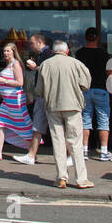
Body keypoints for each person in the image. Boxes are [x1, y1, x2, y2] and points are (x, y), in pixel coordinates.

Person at [38, 40, 94, 189]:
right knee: (75, 142)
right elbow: (86, 84)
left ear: (53, 51)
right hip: (73, 106)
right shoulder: (76, 64)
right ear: (67, 51)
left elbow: (38, 90)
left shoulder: (45, 65)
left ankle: (61, 177)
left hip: (52, 106)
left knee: (58, 142)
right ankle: (81, 179)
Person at [0, 42, 38, 163]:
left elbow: (20, 83)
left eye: (8, 51)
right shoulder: (8, 64)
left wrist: (2, 80)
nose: (6, 53)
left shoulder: (16, 64)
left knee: (22, 126)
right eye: (4, 51)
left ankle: (31, 152)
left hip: (15, 100)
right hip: (7, 101)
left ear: (14, 52)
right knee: (0, 123)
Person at [78, 27, 112, 161]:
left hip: (85, 89)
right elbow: (109, 70)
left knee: (85, 120)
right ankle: (104, 151)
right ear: (98, 38)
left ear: (85, 37)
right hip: (101, 88)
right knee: (103, 120)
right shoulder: (103, 53)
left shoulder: (80, 53)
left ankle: (84, 151)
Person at [24, 33, 55, 156]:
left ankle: (70, 155)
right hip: (41, 94)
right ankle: (31, 155)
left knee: (56, 128)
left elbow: (49, 71)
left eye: (32, 43)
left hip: (46, 95)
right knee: (38, 126)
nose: (30, 46)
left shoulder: (48, 54)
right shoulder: (42, 54)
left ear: (39, 42)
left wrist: (35, 67)